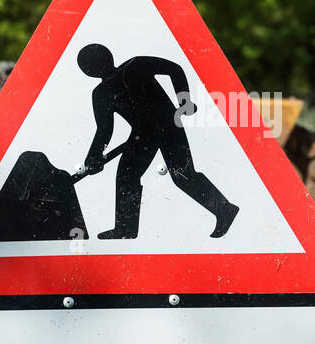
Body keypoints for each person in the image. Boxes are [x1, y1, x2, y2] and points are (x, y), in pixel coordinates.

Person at [77, 43, 238, 239]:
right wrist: (93, 156)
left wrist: (184, 100)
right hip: (142, 134)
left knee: (182, 176)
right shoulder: (101, 93)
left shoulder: (134, 65)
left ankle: (225, 210)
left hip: (168, 125)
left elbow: (173, 69)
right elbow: (104, 130)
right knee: (127, 176)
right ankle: (125, 229)